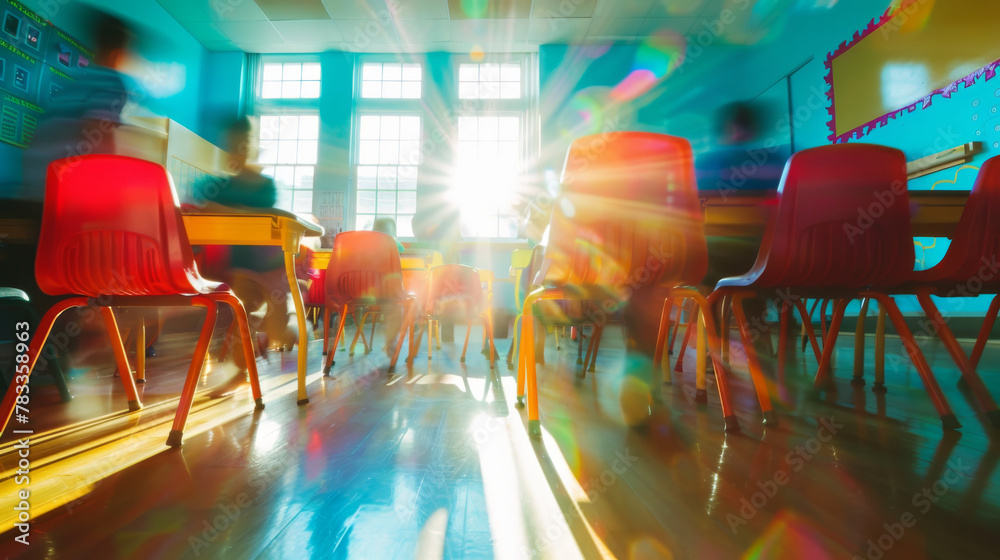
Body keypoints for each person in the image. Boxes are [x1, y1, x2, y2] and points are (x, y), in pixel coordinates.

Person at [194, 117, 300, 394]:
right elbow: (206, 210)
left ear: (252, 149)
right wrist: (219, 209)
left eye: (243, 147)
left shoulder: (264, 185)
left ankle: (299, 333)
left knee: (277, 332)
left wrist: (226, 210)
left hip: (272, 266)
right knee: (244, 317)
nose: (237, 153)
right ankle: (241, 373)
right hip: (241, 267)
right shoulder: (220, 185)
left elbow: (263, 215)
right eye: (232, 147)